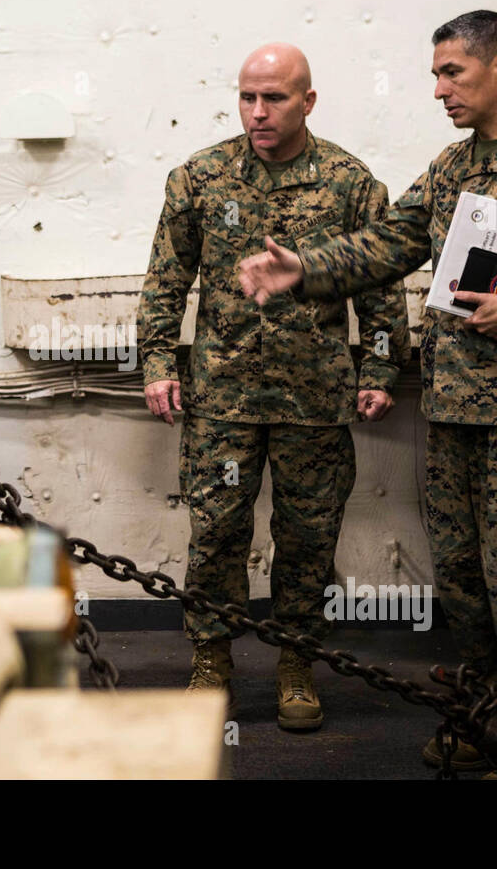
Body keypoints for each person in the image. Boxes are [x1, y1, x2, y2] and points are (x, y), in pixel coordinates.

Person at [238, 11, 497, 767]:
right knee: (464, 583)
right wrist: (306, 267)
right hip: (454, 410)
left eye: (450, 73)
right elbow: (391, 239)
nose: (438, 90)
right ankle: (494, 728)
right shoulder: (453, 168)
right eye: (435, 75)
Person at [137, 42, 409, 731]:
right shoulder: (198, 178)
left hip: (313, 400)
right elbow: (166, 281)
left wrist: (380, 368)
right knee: (218, 532)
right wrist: (159, 364)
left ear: (307, 101)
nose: (258, 111)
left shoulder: (351, 183)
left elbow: (380, 286)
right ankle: (211, 662)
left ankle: (296, 664)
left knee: (308, 537)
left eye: (275, 97)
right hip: (223, 396)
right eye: (247, 96)